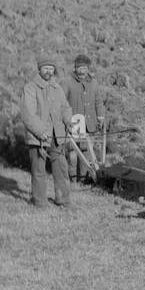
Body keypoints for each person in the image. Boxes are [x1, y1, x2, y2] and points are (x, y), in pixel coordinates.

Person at [20, 58, 73, 208]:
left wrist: (68, 121)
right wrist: (40, 131)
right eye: (46, 68)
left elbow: (65, 107)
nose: (49, 71)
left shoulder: (57, 88)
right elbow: (27, 114)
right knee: (38, 171)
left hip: (57, 135)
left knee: (61, 168)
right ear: (39, 69)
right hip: (38, 138)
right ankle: (40, 201)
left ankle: (63, 199)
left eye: (51, 68)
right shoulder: (30, 88)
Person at [62, 54, 106, 182]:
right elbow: (61, 102)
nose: (82, 70)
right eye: (80, 67)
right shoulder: (67, 82)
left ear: (88, 69)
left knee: (86, 151)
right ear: (75, 68)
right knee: (73, 153)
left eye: (85, 68)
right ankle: (72, 179)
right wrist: (66, 119)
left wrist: (101, 116)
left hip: (90, 122)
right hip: (74, 122)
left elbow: (98, 101)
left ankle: (83, 179)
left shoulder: (93, 83)